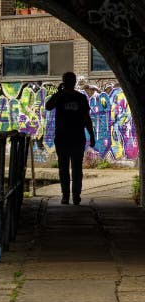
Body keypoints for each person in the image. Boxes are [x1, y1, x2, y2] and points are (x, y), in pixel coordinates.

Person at [45, 72, 96, 205]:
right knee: (76, 169)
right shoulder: (79, 98)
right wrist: (91, 135)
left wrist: (58, 92)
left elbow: (48, 106)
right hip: (75, 138)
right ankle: (75, 195)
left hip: (64, 138)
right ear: (74, 82)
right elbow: (87, 119)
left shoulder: (63, 97)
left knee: (64, 168)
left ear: (64, 82)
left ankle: (66, 196)